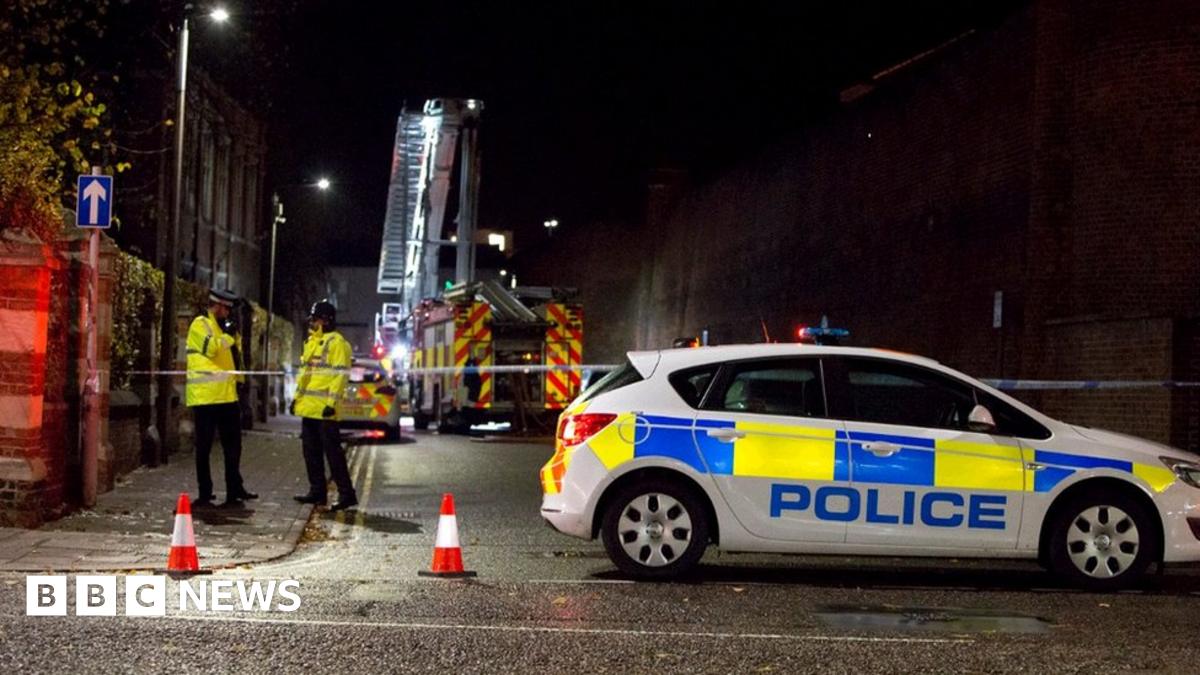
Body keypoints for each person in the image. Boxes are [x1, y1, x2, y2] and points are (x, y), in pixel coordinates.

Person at [186, 289, 257, 507]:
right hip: (206, 398)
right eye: (226, 309)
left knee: (233, 446)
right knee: (204, 448)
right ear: (216, 306)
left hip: (227, 396)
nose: (228, 313)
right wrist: (228, 336)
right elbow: (212, 349)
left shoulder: (225, 327)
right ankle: (205, 494)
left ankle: (235, 490)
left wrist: (241, 382)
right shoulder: (200, 324)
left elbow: (234, 359)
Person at [292, 300, 358, 511]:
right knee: (310, 453)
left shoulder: (338, 343)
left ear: (327, 320)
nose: (312, 322)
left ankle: (347, 494)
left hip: (325, 410)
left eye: (316, 318)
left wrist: (331, 403)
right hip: (309, 408)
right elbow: (305, 376)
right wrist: (296, 398)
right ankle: (317, 492)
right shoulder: (312, 342)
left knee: (333, 454)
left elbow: (339, 376)